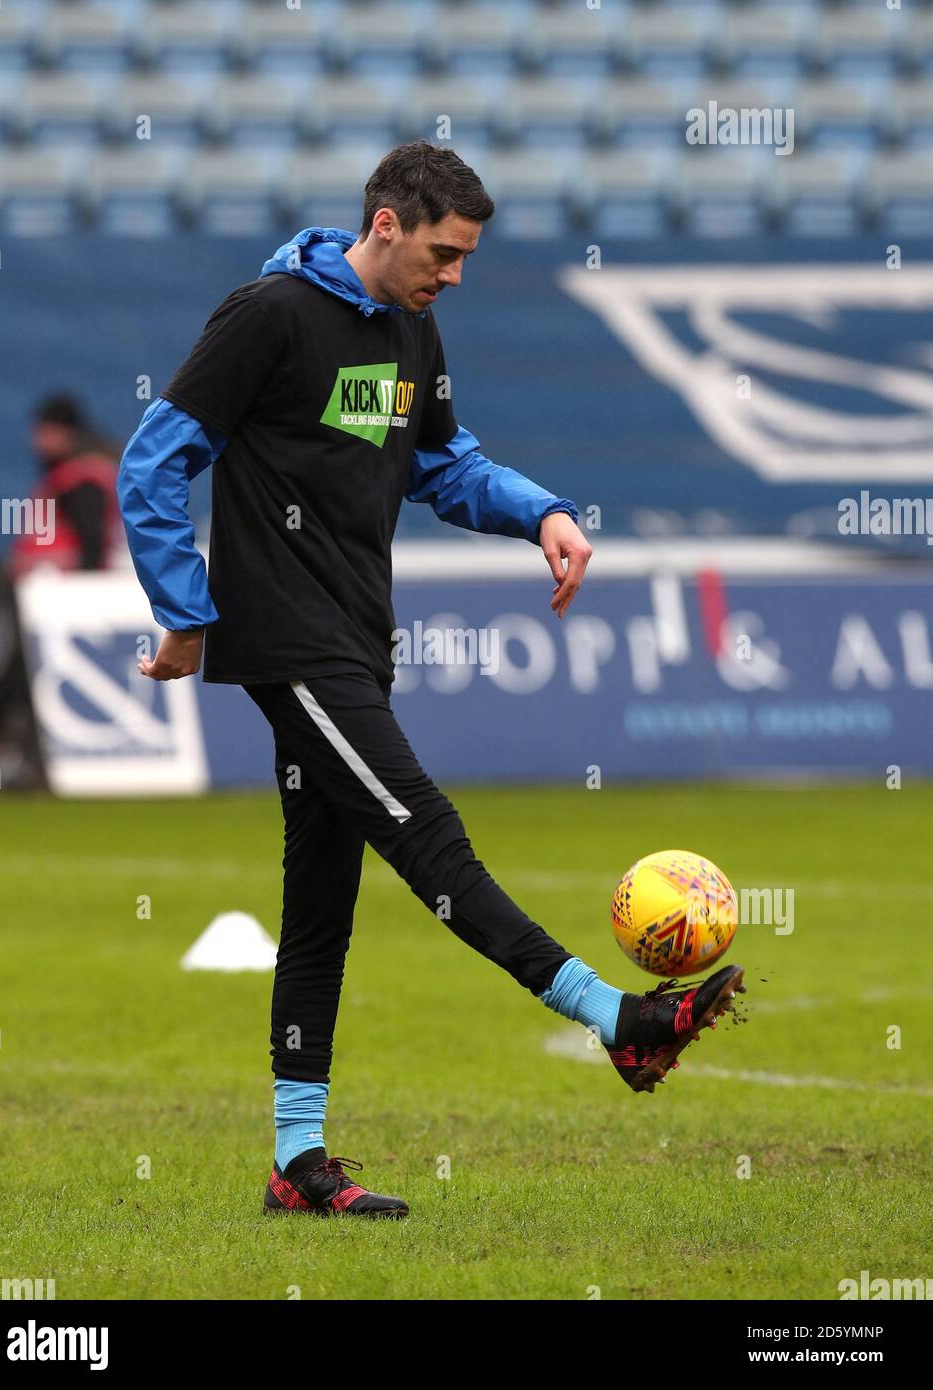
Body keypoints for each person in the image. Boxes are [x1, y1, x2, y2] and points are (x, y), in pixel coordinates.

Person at [117, 141, 744, 1220]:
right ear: (385, 221)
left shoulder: (414, 328)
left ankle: (297, 1163)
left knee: (321, 904)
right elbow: (153, 457)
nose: (453, 276)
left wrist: (541, 510)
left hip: (359, 638)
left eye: (464, 259)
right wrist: (185, 613)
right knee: (426, 835)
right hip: (290, 643)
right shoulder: (267, 316)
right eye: (444, 253)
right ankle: (619, 1020)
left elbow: (442, 464)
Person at [10, 395, 120, 576]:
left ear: (67, 434)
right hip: (44, 585)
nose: (38, 441)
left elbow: (93, 543)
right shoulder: (59, 477)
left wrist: (84, 586)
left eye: (46, 433)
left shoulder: (83, 483)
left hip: (63, 589)